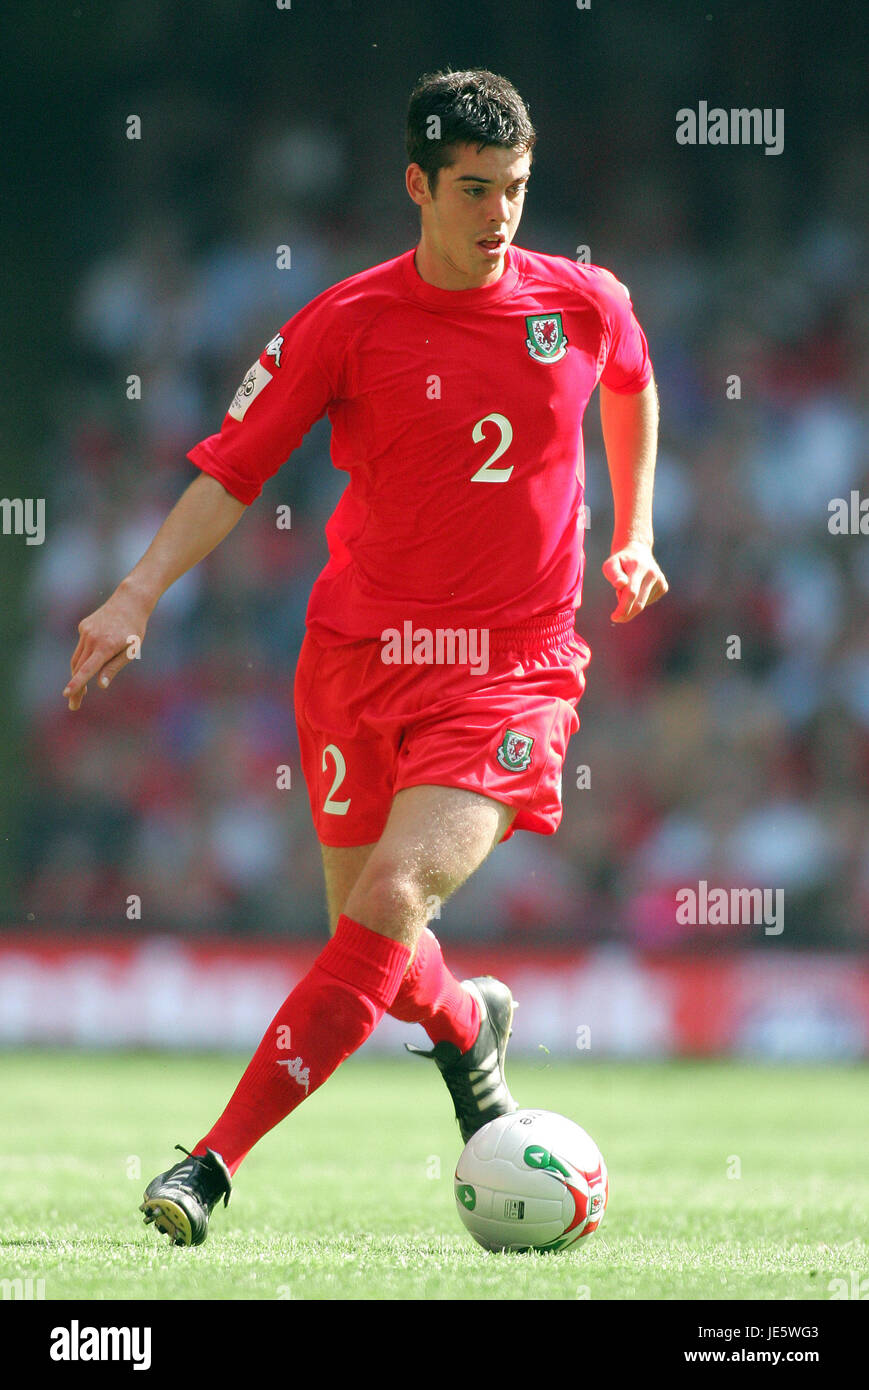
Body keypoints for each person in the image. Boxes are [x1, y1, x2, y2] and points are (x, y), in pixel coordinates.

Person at [63, 68, 668, 1246]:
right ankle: (465, 1023)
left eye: (516, 190)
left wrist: (638, 531)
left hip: (511, 668)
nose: (500, 215)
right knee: (381, 951)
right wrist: (136, 593)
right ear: (416, 185)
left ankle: (210, 1163)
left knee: (392, 901)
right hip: (356, 661)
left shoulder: (582, 302)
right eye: (475, 191)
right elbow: (232, 469)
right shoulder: (346, 323)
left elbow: (631, 387)